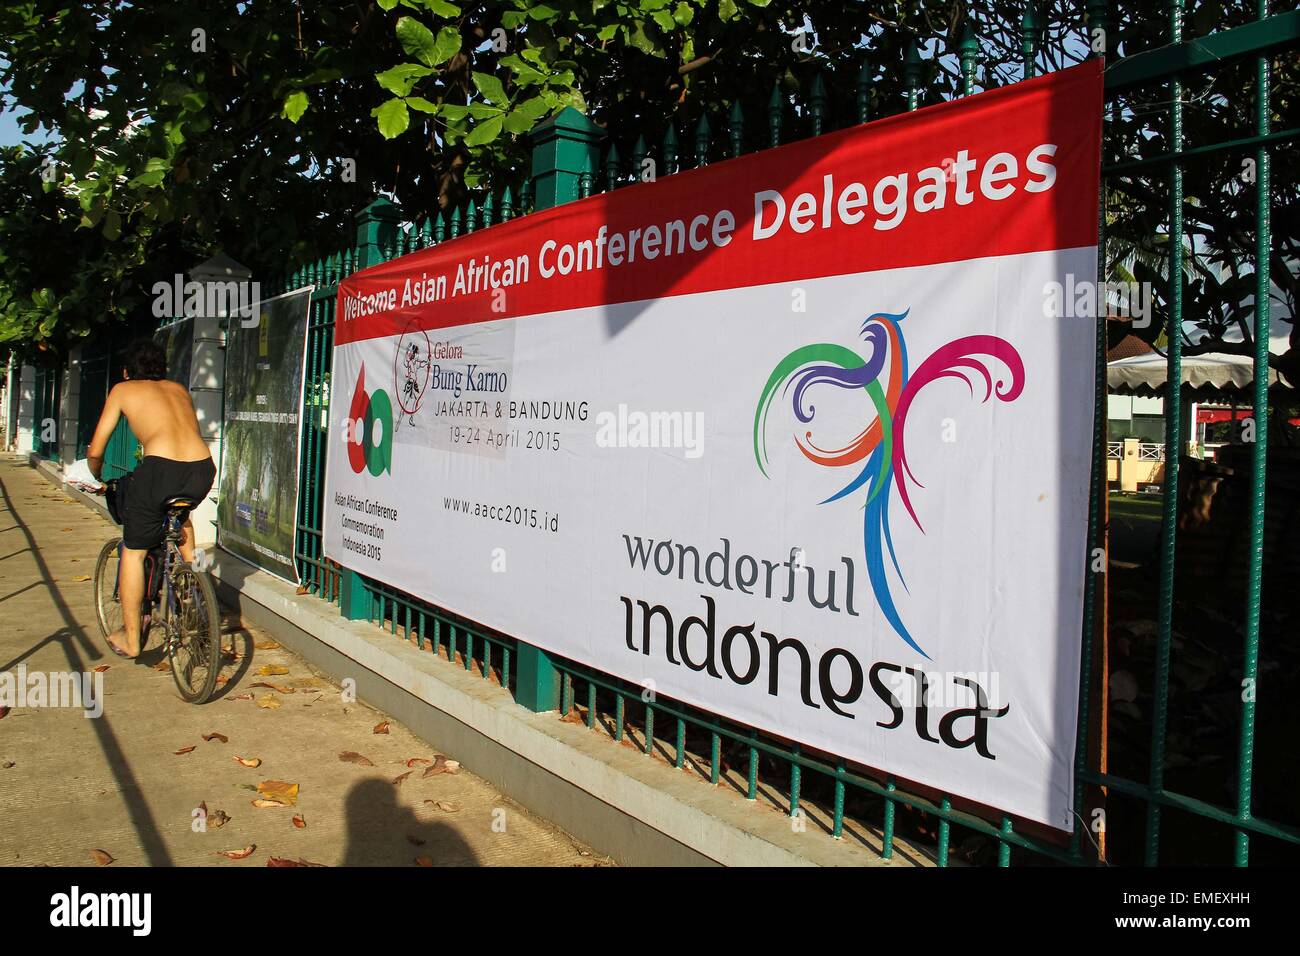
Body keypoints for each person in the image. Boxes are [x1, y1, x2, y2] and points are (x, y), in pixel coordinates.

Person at [86, 338, 216, 658]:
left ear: (128, 370)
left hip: (159, 470)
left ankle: (132, 640)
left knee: (133, 551)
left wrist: (95, 472)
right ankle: (192, 583)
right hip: (201, 469)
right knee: (180, 516)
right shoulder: (178, 390)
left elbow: (97, 448)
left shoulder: (122, 390)